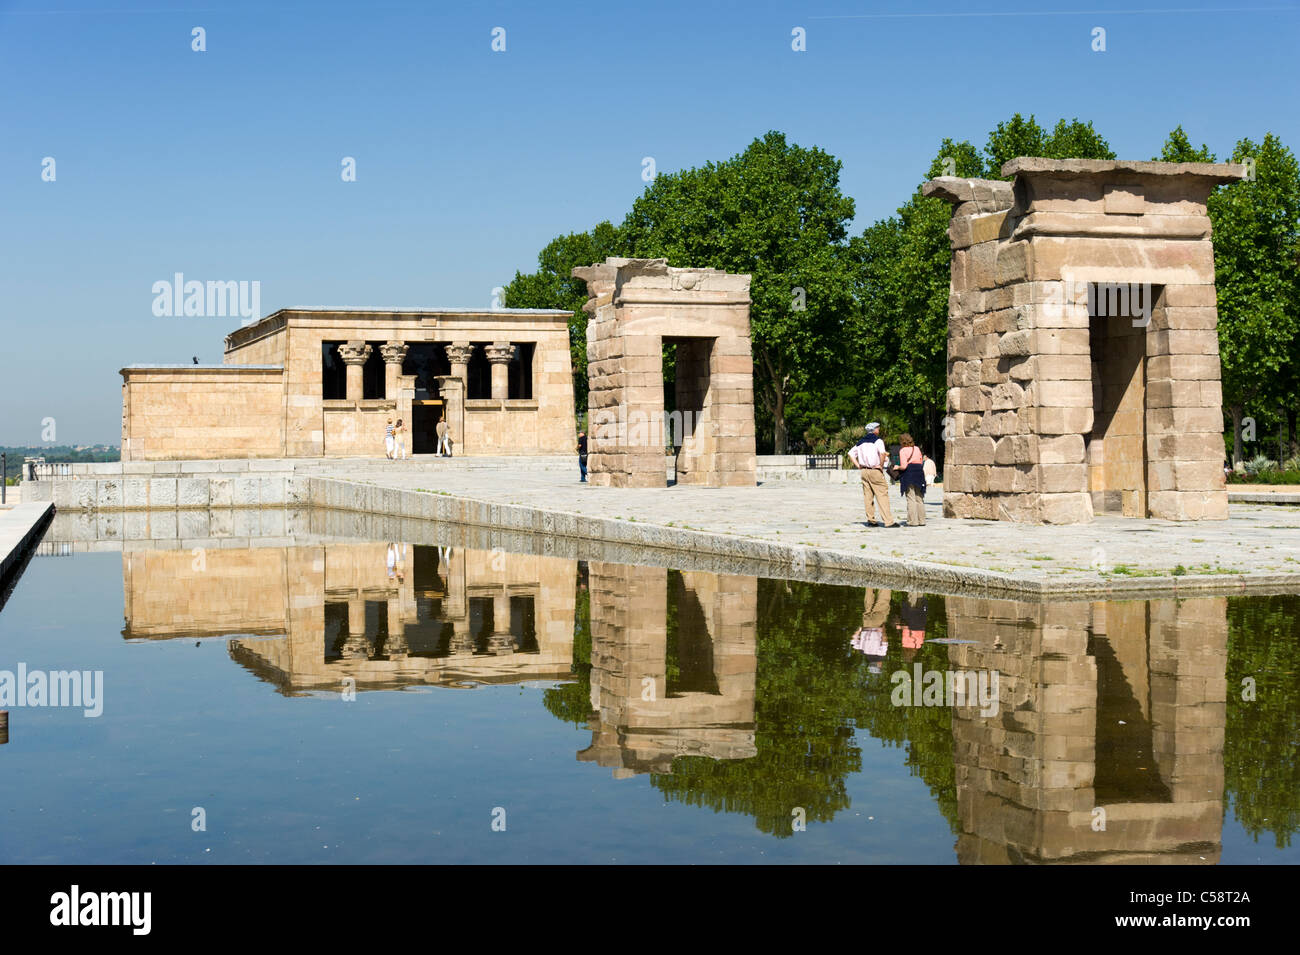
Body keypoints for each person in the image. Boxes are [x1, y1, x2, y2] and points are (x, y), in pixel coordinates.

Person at [848, 422, 898, 527]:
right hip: (875, 470)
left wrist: (858, 465)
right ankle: (888, 521)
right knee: (882, 495)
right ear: (874, 430)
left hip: (864, 471)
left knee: (868, 496)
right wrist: (880, 465)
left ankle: (871, 520)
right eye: (878, 428)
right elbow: (883, 453)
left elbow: (850, 453)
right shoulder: (878, 441)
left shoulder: (860, 442)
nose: (879, 429)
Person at [897, 432, 926, 526]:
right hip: (919, 473)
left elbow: (904, 466)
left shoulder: (903, 451)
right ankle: (922, 520)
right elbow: (921, 461)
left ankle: (913, 521)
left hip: (909, 474)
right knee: (919, 498)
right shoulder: (917, 448)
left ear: (902, 442)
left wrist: (897, 467)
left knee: (911, 498)